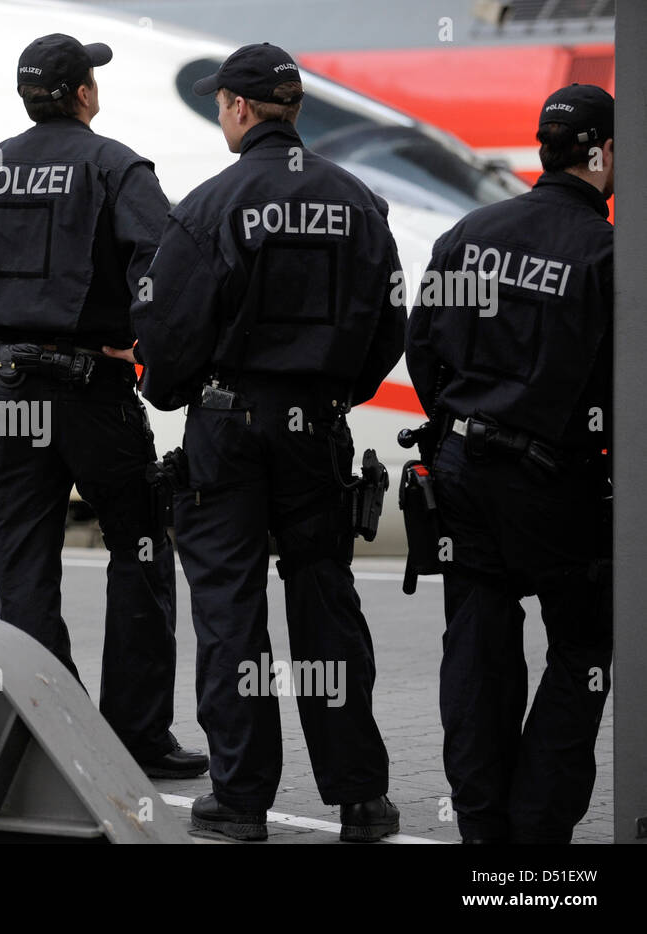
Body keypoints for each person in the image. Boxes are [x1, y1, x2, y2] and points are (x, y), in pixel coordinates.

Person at [0, 34, 206, 779]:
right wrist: (146, 344)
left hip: (8, 396)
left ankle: (46, 731)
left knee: (25, 565)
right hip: (91, 390)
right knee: (142, 548)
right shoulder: (115, 166)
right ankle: (137, 738)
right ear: (84, 94)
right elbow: (164, 258)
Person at [129, 43, 405, 840]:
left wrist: (170, 391)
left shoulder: (212, 204)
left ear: (240, 109)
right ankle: (361, 799)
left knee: (230, 613)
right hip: (316, 430)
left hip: (229, 428)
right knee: (326, 607)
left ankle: (242, 801)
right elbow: (390, 323)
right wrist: (333, 393)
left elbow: (171, 327)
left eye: (220, 105)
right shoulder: (360, 202)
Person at [406, 84, 614, 844]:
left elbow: (421, 345)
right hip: (560, 483)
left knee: (477, 645)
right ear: (604, 153)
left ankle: (485, 829)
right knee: (585, 647)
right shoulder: (607, 255)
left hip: (464, 470)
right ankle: (538, 826)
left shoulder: (469, 232)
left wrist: (460, 425)